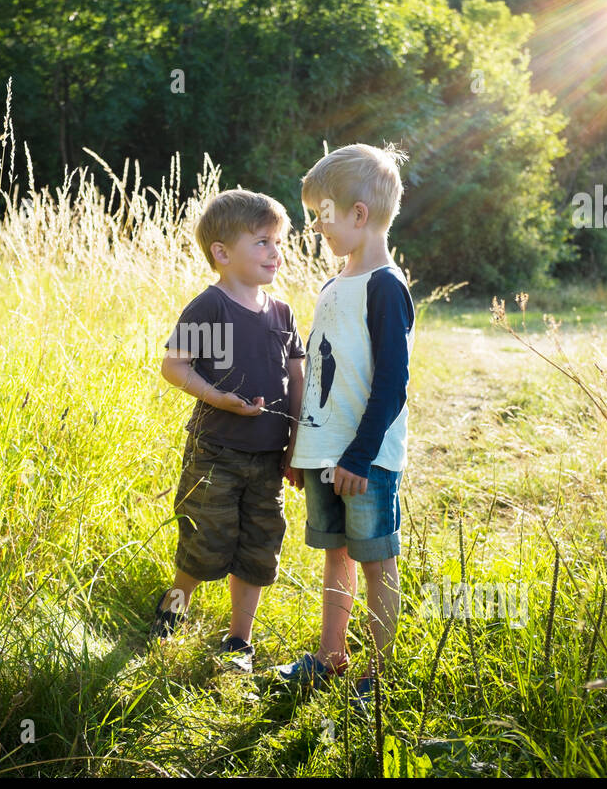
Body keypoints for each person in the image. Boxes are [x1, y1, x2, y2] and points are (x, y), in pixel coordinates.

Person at [275, 144, 415, 712]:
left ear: (359, 215)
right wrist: (298, 446)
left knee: (376, 560)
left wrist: (359, 455)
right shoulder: (335, 284)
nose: (316, 227)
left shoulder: (385, 285)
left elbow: (392, 382)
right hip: (321, 450)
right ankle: (330, 657)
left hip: (366, 458)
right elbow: (318, 372)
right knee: (335, 554)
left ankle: (374, 679)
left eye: (322, 214)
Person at [151, 189, 306, 673]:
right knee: (204, 539)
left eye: (278, 242)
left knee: (260, 545)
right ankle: (173, 606)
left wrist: (297, 440)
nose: (275, 252)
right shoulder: (213, 308)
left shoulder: (279, 314)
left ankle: (240, 640)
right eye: (262, 242)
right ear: (222, 252)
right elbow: (176, 366)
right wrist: (217, 398)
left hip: (268, 456)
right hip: (216, 450)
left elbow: (297, 377)